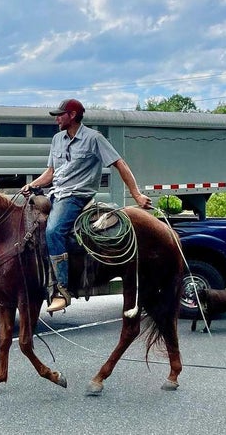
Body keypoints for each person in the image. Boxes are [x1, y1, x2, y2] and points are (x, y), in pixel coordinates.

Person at [21, 99, 151, 313]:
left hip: (76, 196)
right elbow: (51, 174)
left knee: (54, 231)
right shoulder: (57, 139)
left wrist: (135, 194)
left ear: (72, 115)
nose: (56, 119)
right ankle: (39, 279)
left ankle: (62, 290)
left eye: (60, 115)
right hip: (56, 193)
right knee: (29, 226)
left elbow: (120, 164)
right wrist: (31, 185)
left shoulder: (94, 139)